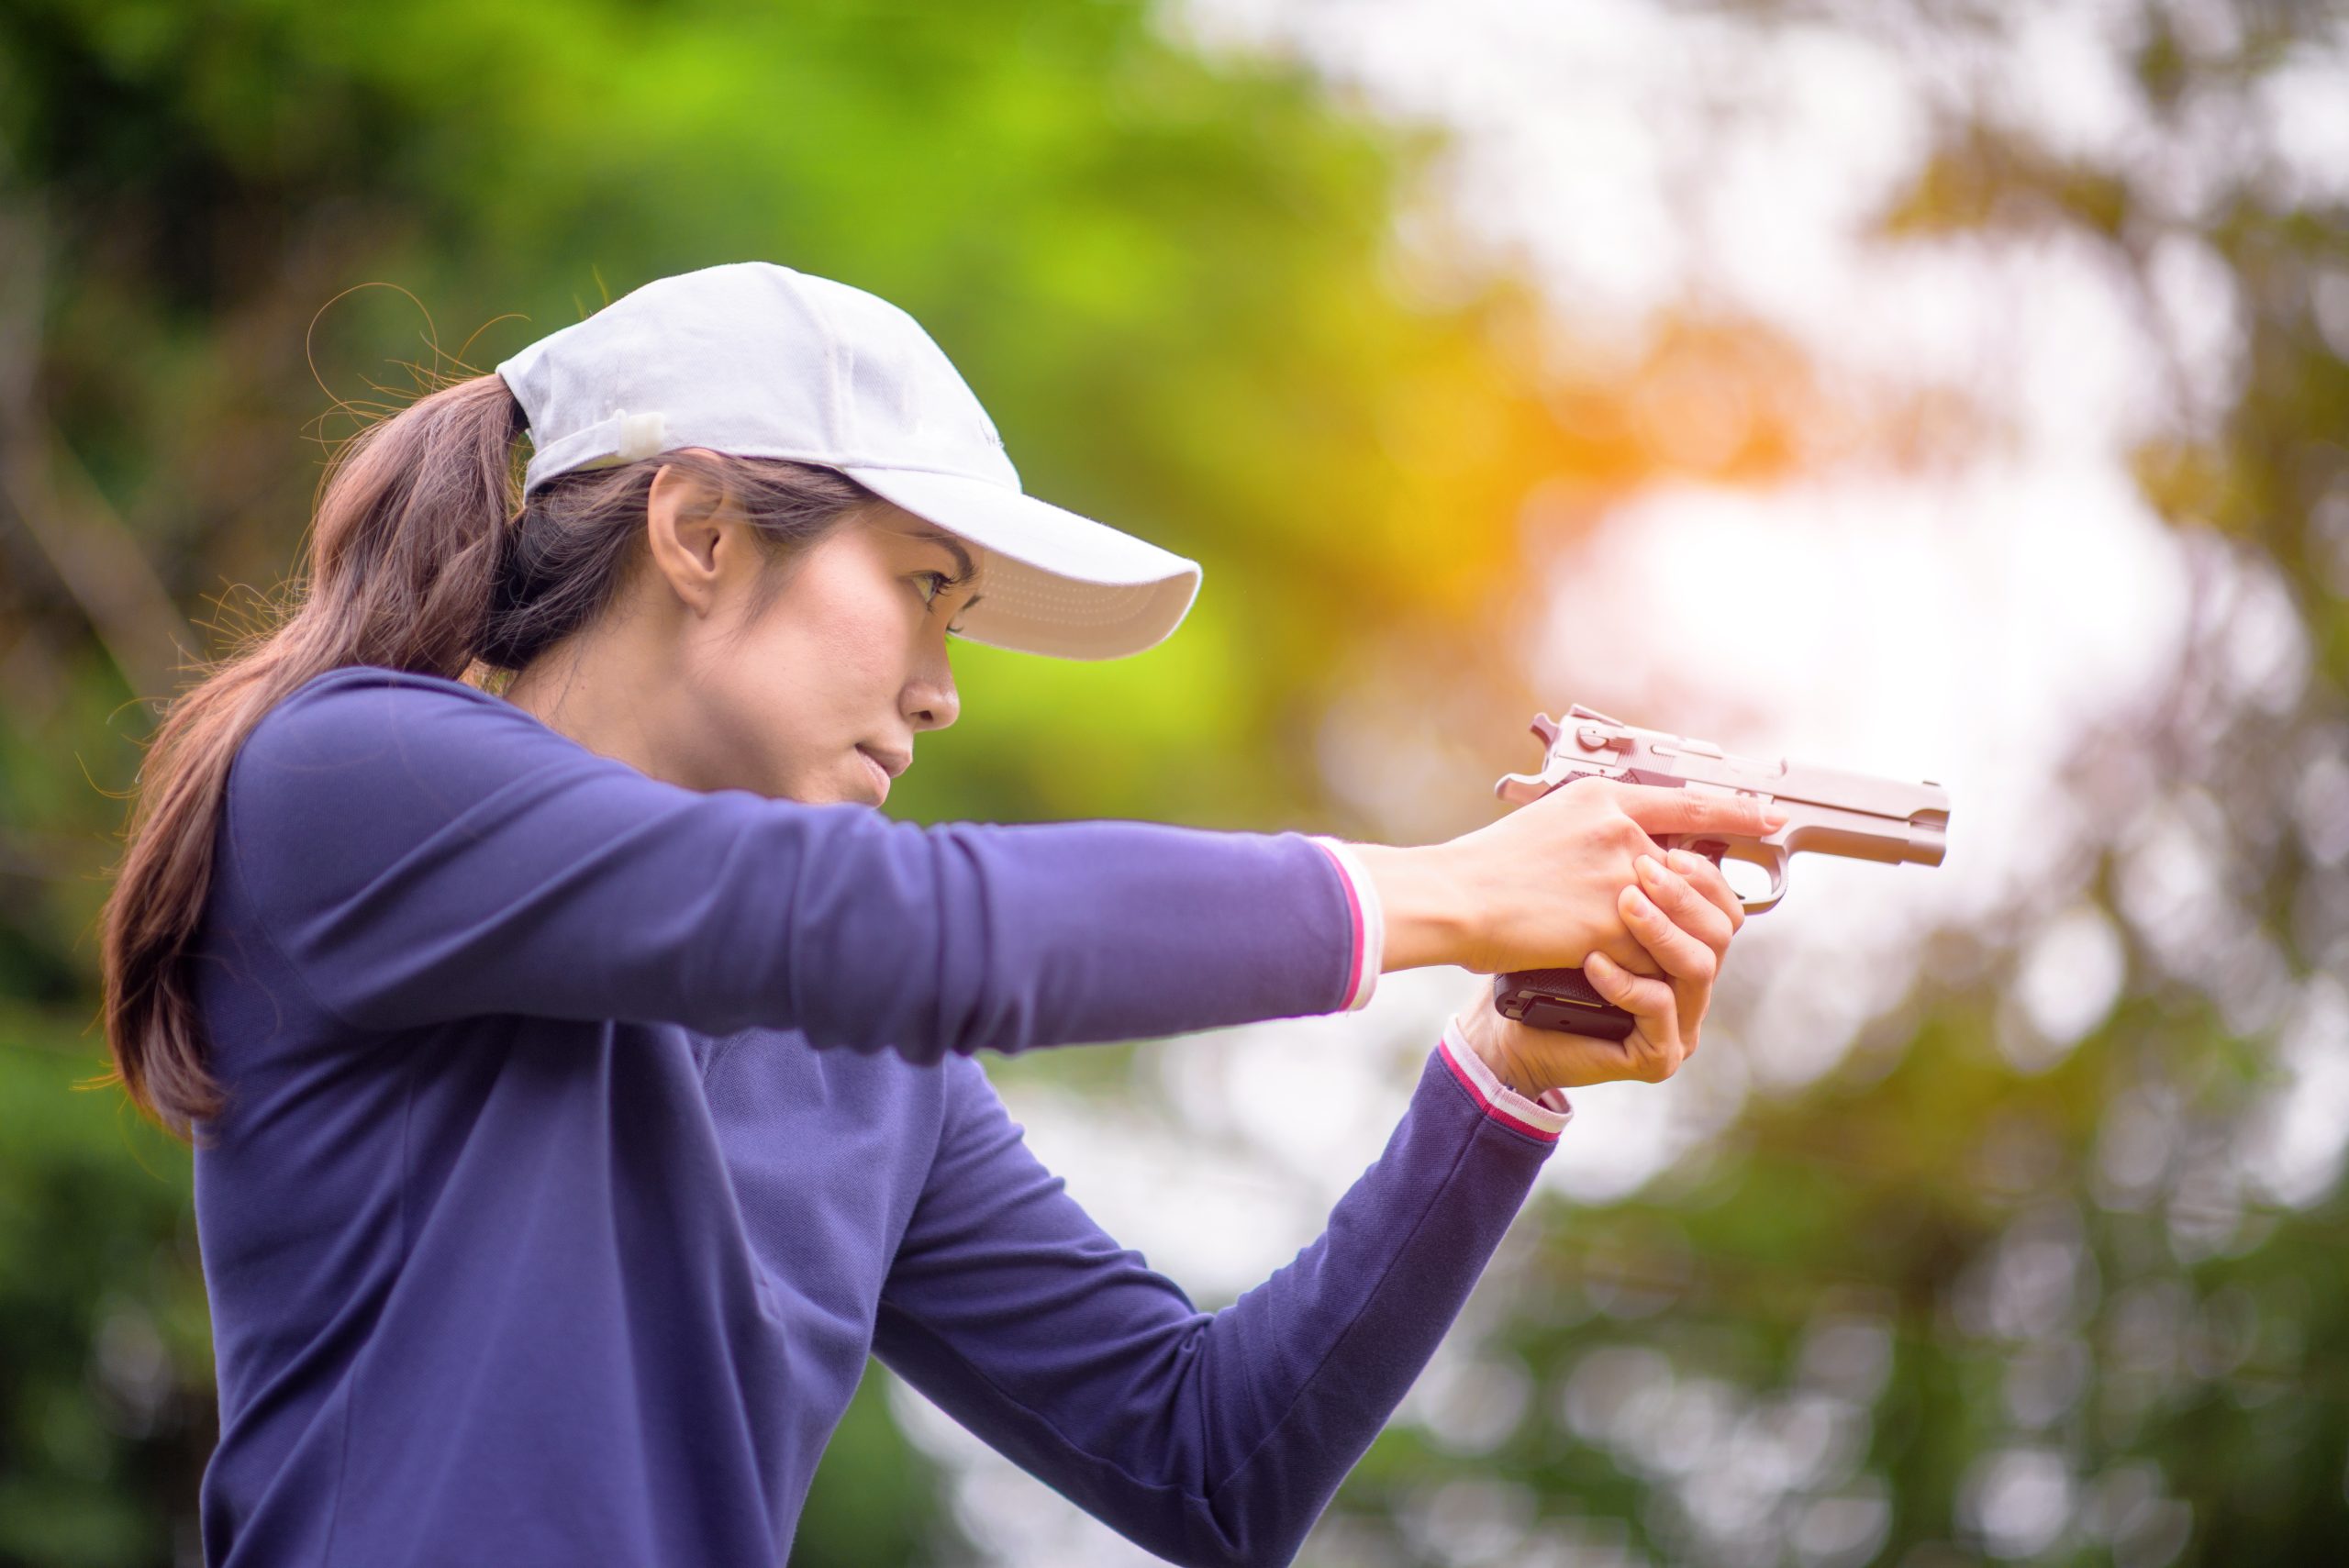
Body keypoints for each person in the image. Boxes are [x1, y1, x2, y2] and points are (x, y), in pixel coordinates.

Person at [98, 262, 1784, 1568]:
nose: (942, 691)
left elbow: (1211, 1464)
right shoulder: (353, 779)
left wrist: (1506, 1065)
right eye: (924, 590)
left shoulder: (861, 1067)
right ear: (695, 531)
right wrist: (1459, 893)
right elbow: (890, 927)